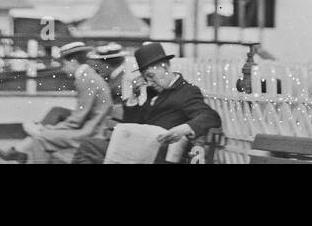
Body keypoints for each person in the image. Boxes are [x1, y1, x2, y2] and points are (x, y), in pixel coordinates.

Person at [76, 42, 222, 165]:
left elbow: (210, 116)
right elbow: (131, 124)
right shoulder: (150, 93)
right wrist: (133, 98)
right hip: (136, 149)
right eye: (146, 78)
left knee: (88, 147)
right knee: (89, 147)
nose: (149, 82)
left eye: (151, 76)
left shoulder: (186, 91)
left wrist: (185, 128)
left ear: (164, 67)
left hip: (158, 154)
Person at [0, 41, 113, 164]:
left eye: (63, 64)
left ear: (73, 62)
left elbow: (78, 119)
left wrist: (49, 129)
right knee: (41, 135)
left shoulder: (86, 79)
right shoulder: (88, 76)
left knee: (40, 138)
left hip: (92, 133)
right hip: (93, 129)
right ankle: (21, 153)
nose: (63, 69)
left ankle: (21, 153)